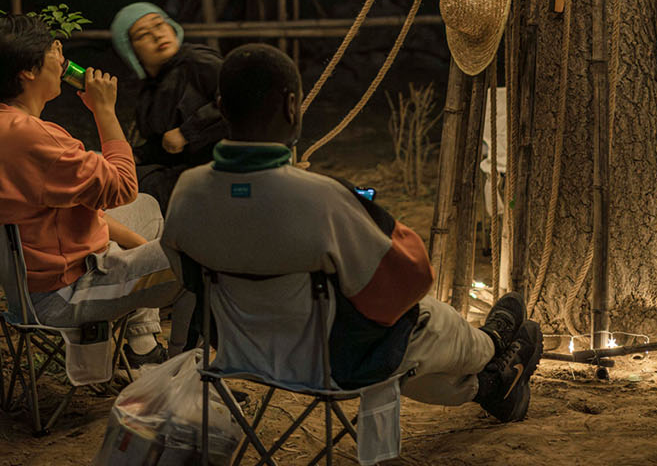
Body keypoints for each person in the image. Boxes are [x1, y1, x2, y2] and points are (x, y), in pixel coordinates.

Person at [161, 43, 543, 420]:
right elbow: (413, 279)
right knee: (426, 321)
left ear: (221, 108)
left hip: (239, 355)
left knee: (403, 344)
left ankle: (494, 386)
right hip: (334, 365)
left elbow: (186, 276)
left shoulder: (188, 191)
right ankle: (494, 346)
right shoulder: (321, 199)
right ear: (293, 107)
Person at [0, 14, 186, 361]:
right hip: (67, 294)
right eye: (54, 48)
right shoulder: (37, 139)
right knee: (198, 259)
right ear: (29, 72)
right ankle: (187, 373)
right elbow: (123, 185)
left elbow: (95, 206)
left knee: (146, 207)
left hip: (32, 284)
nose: (62, 54)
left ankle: (141, 347)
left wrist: (142, 250)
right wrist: (104, 111)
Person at [110, 2, 225, 211]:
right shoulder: (151, 89)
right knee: (117, 179)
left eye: (160, 25)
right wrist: (138, 155)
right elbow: (163, 143)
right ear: (130, 50)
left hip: (226, 169)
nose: (157, 35)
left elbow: (241, 100)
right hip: (190, 170)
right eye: (143, 34)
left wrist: (187, 132)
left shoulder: (198, 62)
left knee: (139, 190)